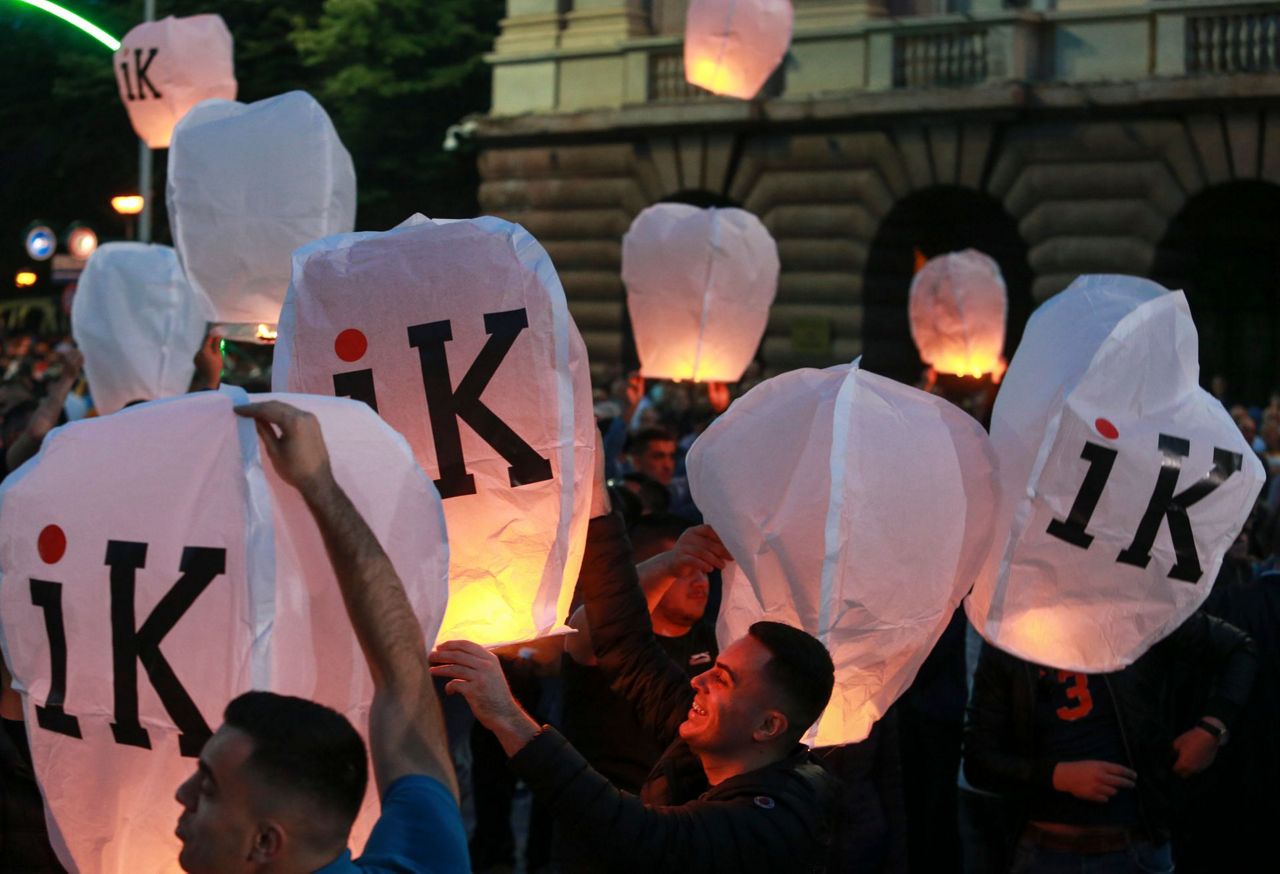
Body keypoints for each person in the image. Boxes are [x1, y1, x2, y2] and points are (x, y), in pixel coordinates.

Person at [431, 447, 839, 873]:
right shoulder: (723, 745)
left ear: (768, 725)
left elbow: (635, 833)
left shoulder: (767, 824)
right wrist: (593, 499)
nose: (698, 682)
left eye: (723, 679)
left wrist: (507, 716)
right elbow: (626, 645)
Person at [173, 401, 468, 873]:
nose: (180, 795)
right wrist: (318, 485)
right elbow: (402, 677)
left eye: (207, 788)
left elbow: (404, 677)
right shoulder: (426, 861)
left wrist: (319, 485)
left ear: (265, 843)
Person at [963, 610, 1256, 873]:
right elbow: (979, 762)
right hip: (1044, 849)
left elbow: (1240, 649)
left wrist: (1212, 728)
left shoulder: (1138, 612)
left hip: (1135, 846)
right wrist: (1057, 776)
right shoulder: (1010, 636)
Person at [559, 515, 718, 794]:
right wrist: (670, 564)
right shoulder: (607, 638)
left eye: (703, 570)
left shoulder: (718, 640)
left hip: (685, 815)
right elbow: (584, 633)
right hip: (607, 808)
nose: (700, 582)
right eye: (686, 570)